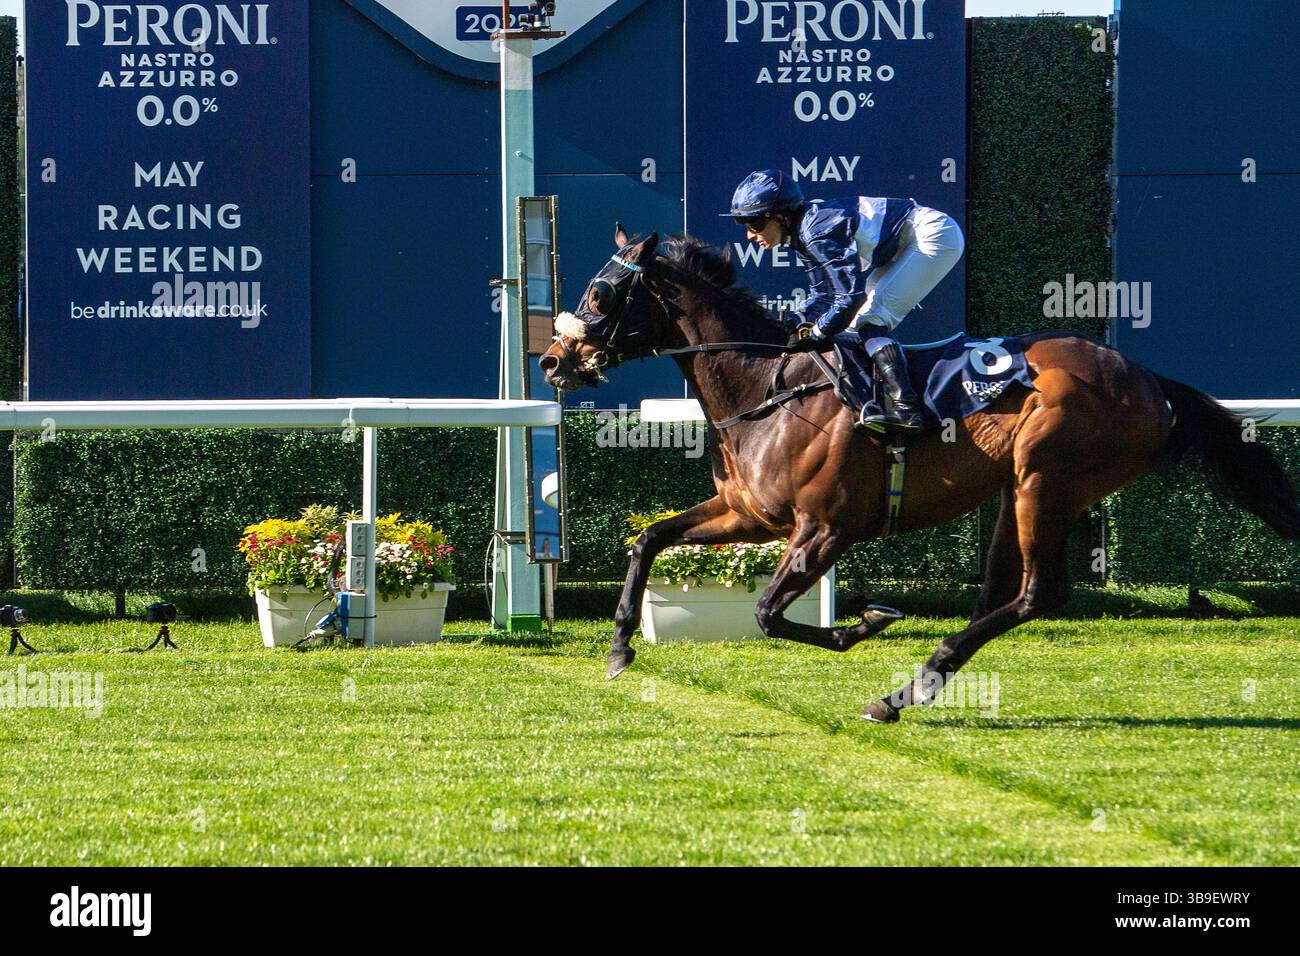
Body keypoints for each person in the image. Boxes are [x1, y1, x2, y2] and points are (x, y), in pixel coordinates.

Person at [725, 169, 965, 432]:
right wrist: (793, 324)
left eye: (756, 224)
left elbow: (848, 296)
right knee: (856, 326)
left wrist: (815, 332)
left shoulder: (816, 232)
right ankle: (885, 401)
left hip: (933, 236)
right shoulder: (802, 234)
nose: (750, 234)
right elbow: (822, 295)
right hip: (906, 243)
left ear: (782, 216)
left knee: (869, 318)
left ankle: (907, 410)